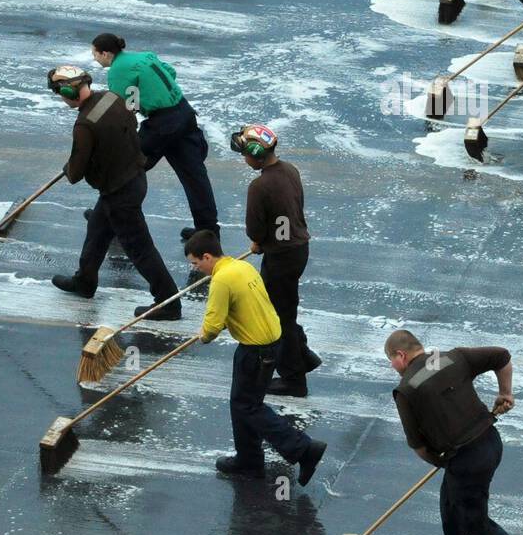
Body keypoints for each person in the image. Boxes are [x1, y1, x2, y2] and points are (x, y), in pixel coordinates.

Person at [186, 229, 327, 484]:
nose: (196, 269)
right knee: (242, 403)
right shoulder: (242, 268)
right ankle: (248, 459)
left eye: (195, 263)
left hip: (254, 351)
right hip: (272, 342)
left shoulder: (221, 280)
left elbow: (212, 326)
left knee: (247, 406)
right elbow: (246, 305)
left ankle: (303, 449)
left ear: (207, 257)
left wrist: (203, 336)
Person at [47, 65, 180, 319]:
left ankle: (168, 301)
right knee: (97, 230)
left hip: (120, 194)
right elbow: (130, 123)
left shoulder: (84, 125)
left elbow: (75, 174)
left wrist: (69, 167)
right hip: (134, 178)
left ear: (68, 91)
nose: (61, 99)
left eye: (60, 94)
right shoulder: (113, 97)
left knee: (140, 249)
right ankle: (85, 282)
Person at [385, 329, 523, 535]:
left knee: (476, 526)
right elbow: (502, 356)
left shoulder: (406, 390)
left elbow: (419, 447)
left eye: (390, 360)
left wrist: (441, 461)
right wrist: (506, 393)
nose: (392, 366)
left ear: (400, 355)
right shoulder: (453, 357)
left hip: (467, 461)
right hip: (491, 442)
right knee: (451, 500)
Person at [90, 34, 219, 242]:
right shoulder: (145, 56)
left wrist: (93, 122)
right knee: (195, 177)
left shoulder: (118, 69)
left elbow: (118, 106)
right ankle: (208, 231)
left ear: (105, 53)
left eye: (95, 54)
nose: (94, 58)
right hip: (184, 115)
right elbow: (171, 72)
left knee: (125, 170)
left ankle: (109, 218)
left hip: (162, 124)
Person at [231, 123, 321, 397]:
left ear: (256, 155)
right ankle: (303, 357)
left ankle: (294, 379)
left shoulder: (259, 186)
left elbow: (256, 229)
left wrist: (260, 241)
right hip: (297, 249)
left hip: (280, 257)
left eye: (245, 153)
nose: (243, 158)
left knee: (279, 318)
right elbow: (288, 213)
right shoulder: (290, 170)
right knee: (286, 308)